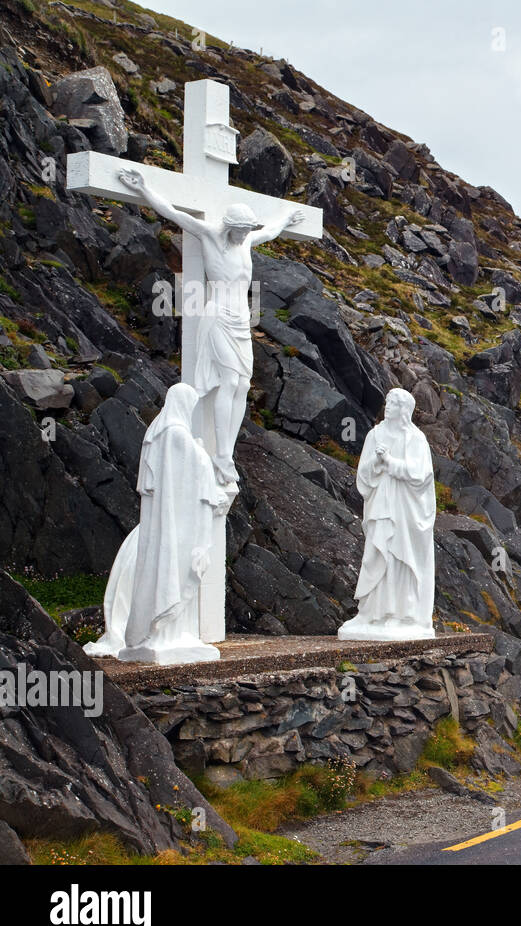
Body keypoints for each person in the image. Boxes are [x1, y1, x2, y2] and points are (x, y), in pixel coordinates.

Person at [117, 168, 304, 486]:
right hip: (217, 316)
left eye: (247, 231)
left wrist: (285, 221)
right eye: (240, 230)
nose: (244, 235)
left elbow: (269, 232)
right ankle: (220, 456)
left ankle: (226, 451)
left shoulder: (246, 243)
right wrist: (144, 189)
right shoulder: (208, 235)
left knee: (243, 386)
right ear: (228, 226)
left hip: (241, 321)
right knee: (228, 382)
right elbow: (172, 212)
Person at [115, 383, 227, 664]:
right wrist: (202, 451)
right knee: (174, 572)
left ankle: (168, 632)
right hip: (178, 522)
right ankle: (167, 633)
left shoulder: (159, 433)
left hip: (171, 519)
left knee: (167, 572)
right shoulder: (176, 434)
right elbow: (197, 465)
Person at [339, 389, 438, 641]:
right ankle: (371, 612)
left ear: (405, 409)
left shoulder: (415, 438)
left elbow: (421, 474)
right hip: (382, 504)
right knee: (376, 551)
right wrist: (377, 461)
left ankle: (400, 613)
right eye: (388, 402)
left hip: (404, 508)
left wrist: (390, 461)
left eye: (394, 403)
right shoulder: (375, 435)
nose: (388, 406)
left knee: (400, 556)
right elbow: (364, 474)